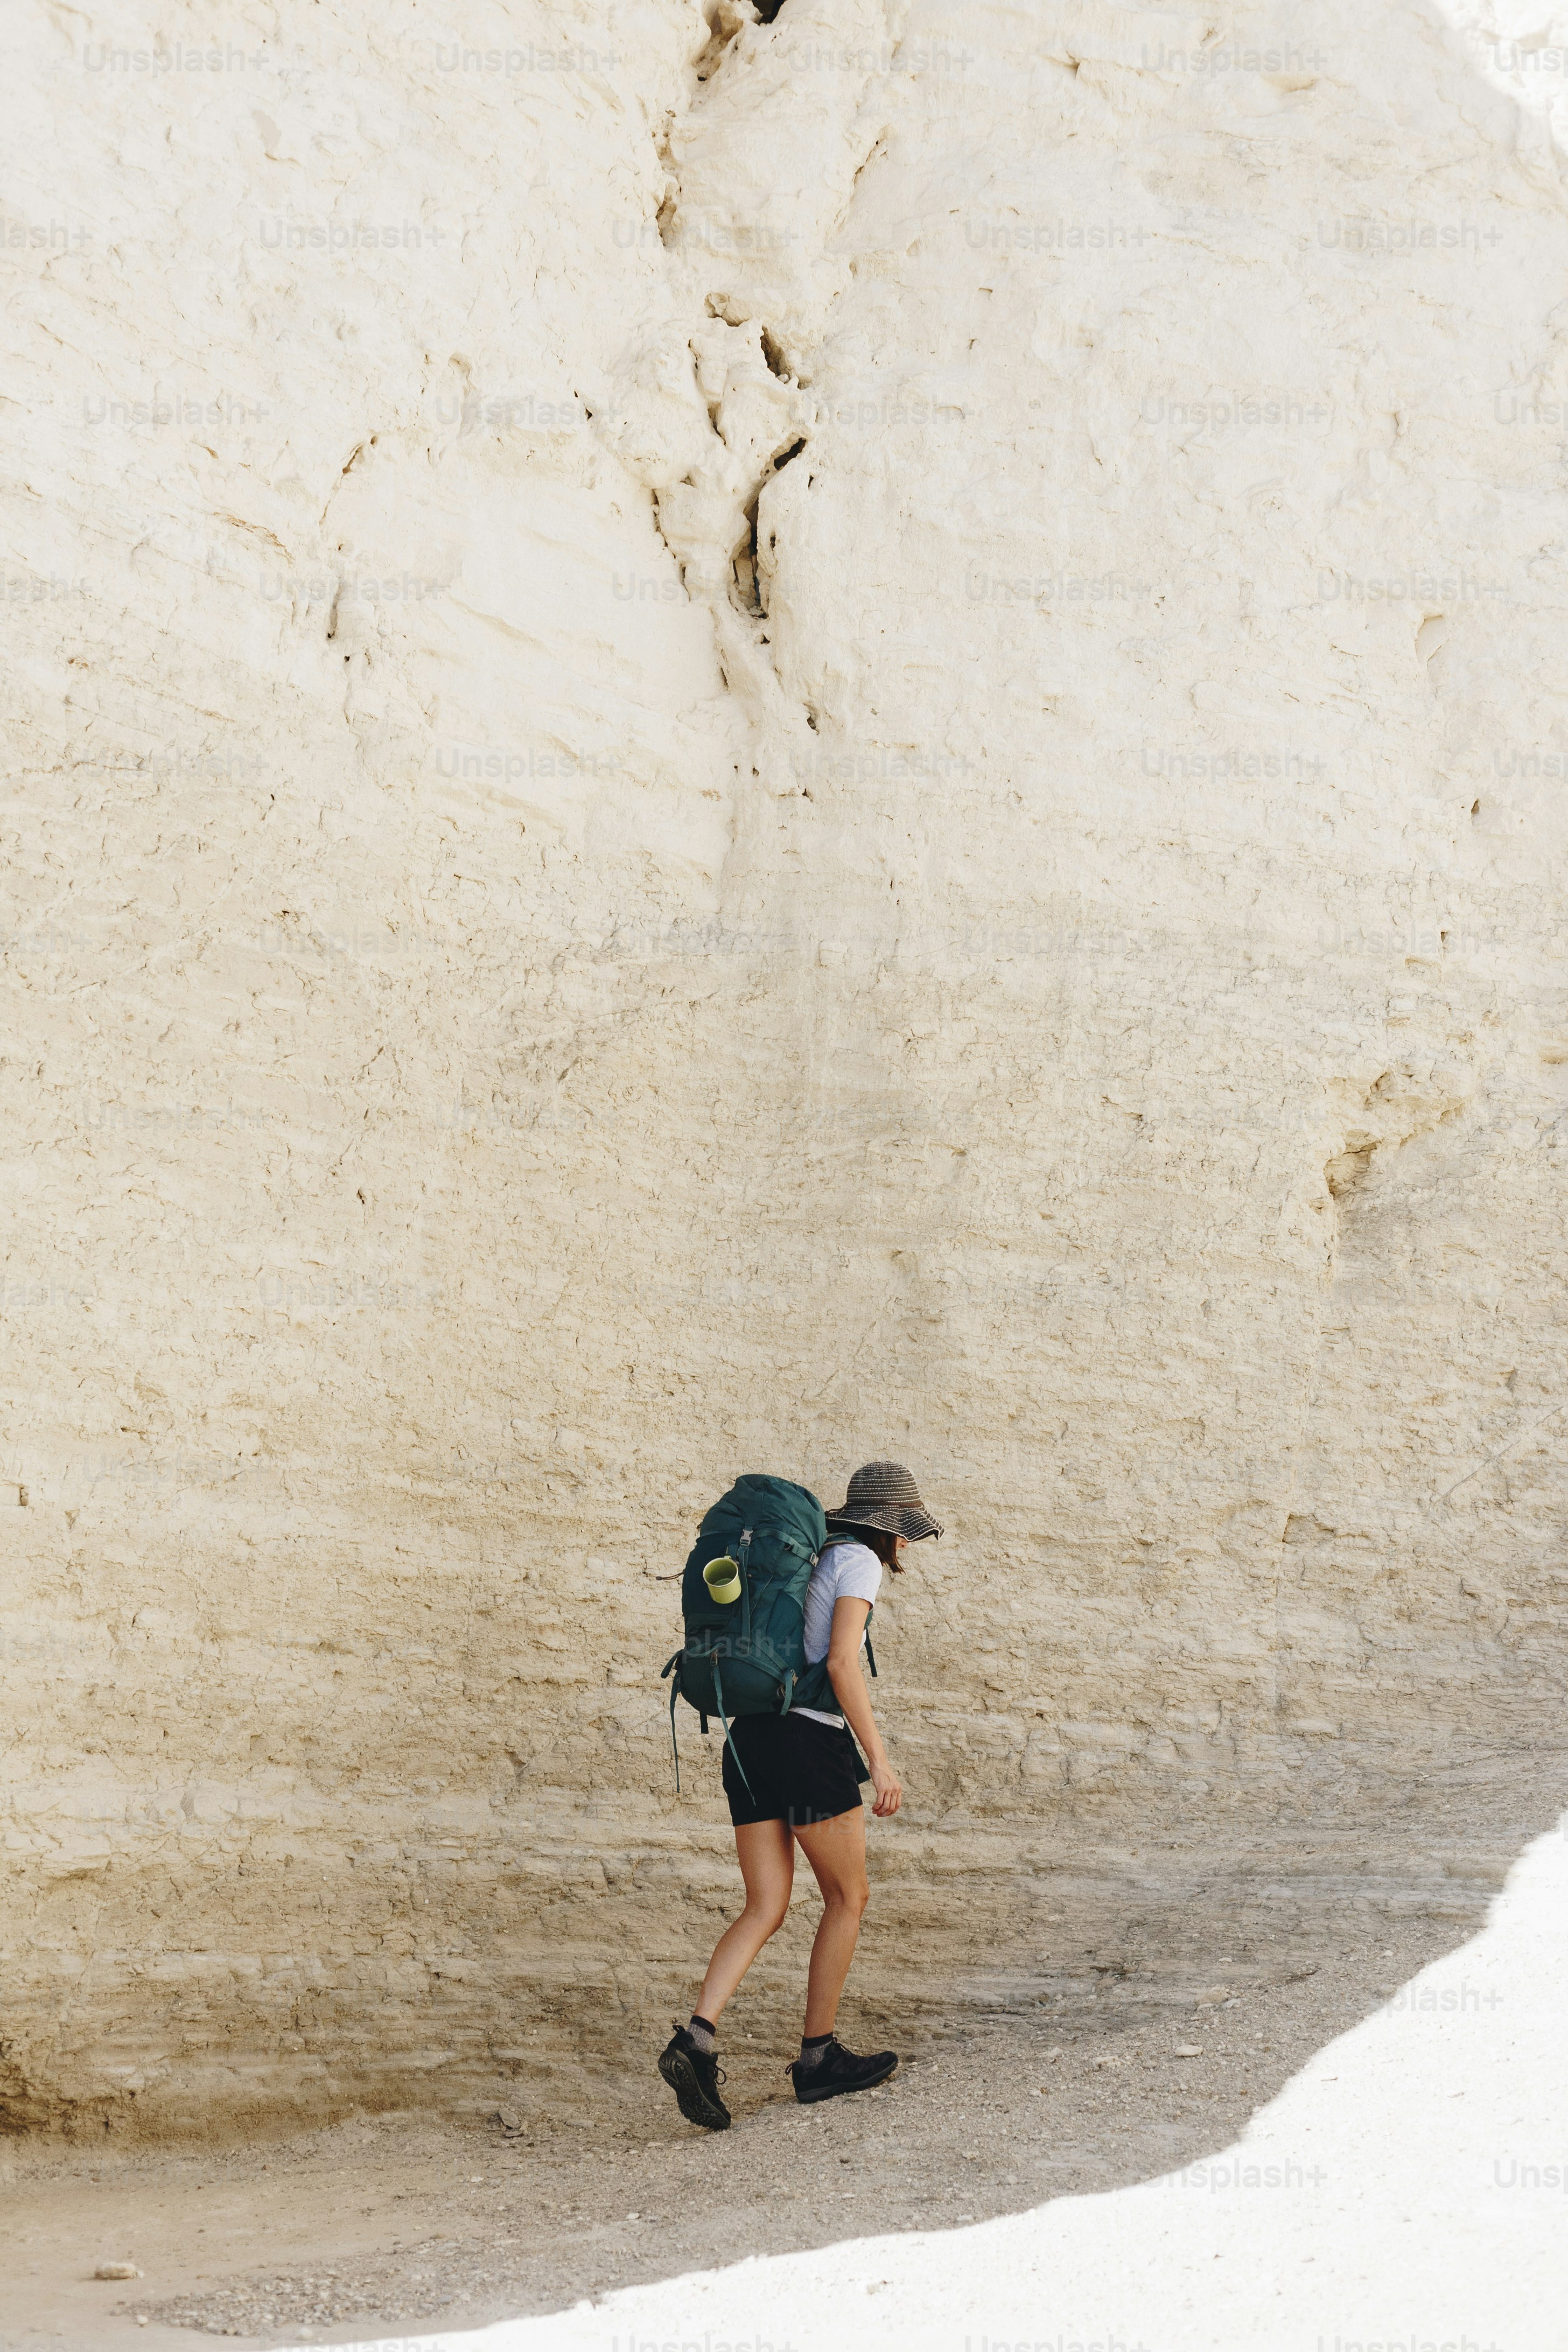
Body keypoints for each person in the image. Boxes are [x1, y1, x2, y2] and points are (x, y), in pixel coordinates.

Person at [657, 1461, 942, 2130]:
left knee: (764, 1906)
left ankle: (694, 2040)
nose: (905, 1548)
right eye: (905, 1534)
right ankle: (817, 2059)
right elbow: (841, 1662)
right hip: (808, 1744)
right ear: (891, 1531)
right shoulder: (858, 1564)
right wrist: (880, 1760)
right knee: (848, 1898)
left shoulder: (807, 1556)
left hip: (748, 1739)